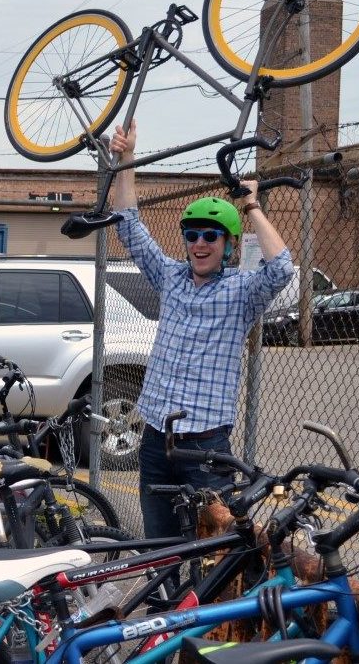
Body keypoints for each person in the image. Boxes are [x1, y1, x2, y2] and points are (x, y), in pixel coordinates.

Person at [108, 123, 295, 540]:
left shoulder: (243, 291)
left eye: (211, 236)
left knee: (216, 548)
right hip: (157, 439)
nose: (200, 243)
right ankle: (166, 602)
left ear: (228, 244)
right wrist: (126, 161)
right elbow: (128, 225)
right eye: (192, 235)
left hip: (206, 448)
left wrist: (251, 207)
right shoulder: (171, 277)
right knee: (159, 542)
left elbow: (281, 267)